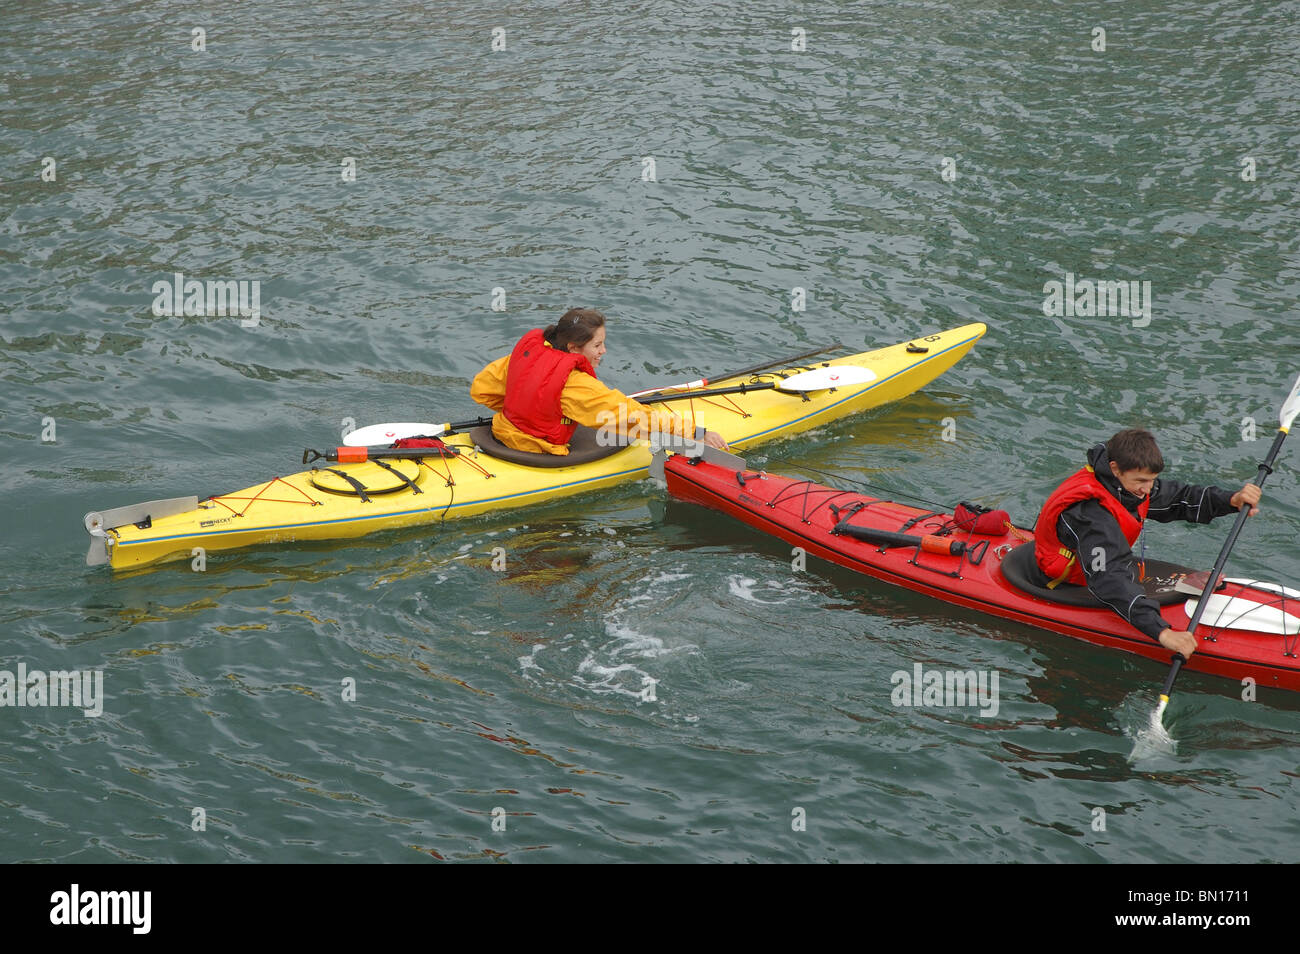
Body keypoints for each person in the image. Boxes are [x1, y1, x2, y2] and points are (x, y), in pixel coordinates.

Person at [1033, 428, 1261, 661]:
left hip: (1100, 564)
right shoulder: (1091, 515)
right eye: (1142, 481)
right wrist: (1162, 633)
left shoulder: (1127, 483)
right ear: (1114, 468)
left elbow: (1177, 498)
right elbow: (1108, 578)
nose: (1148, 489)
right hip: (1065, 583)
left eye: (1151, 480)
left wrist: (1231, 500)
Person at [470, 308, 729, 456]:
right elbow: (632, 417)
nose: (603, 351)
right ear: (573, 347)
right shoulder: (576, 387)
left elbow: (482, 391)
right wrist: (696, 433)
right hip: (536, 448)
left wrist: (533, 406)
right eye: (597, 345)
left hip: (504, 431)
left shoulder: (527, 353)